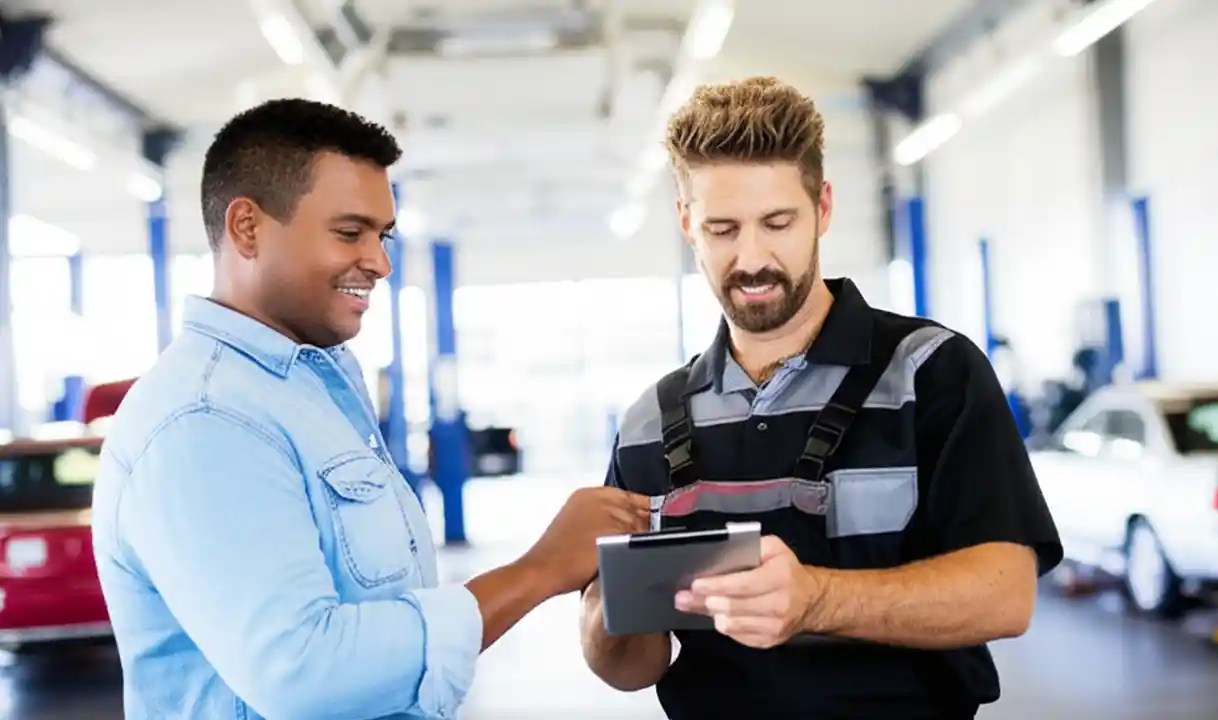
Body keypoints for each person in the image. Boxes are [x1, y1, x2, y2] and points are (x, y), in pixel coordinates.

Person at [91, 98, 650, 720]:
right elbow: (304, 671)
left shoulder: (311, 389)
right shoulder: (206, 421)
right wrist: (539, 570)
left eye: (382, 236)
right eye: (349, 232)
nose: (380, 263)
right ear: (246, 227)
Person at [579, 77, 1063, 719]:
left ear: (823, 208)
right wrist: (602, 616)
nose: (752, 258)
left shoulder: (932, 373)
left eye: (777, 223)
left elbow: (1006, 596)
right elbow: (636, 666)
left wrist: (817, 598)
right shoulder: (649, 422)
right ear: (686, 223)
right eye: (722, 229)